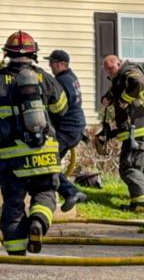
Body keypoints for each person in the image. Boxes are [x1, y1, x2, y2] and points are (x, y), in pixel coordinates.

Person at [0, 31, 68, 256]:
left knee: (13, 204)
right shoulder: (45, 78)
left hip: (12, 159)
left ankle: (17, 252)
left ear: (7, 54)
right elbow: (62, 109)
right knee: (46, 194)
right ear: (34, 54)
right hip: (45, 154)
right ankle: (38, 221)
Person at [100, 55, 144, 213]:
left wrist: (124, 99)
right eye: (106, 70)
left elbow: (136, 84)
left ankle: (141, 205)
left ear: (119, 63)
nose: (109, 72)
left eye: (111, 68)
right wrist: (108, 98)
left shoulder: (130, 73)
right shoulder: (123, 76)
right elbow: (114, 91)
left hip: (140, 132)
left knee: (130, 168)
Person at [45, 49, 88, 212]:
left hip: (66, 128)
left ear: (61, 64)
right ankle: (71, 192)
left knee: (48, 164)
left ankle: (71, 192)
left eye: (52, 63)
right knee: (51, 163)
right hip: (75, 126)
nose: (50, 66)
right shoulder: (72, 78)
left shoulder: (61, 80)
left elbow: (59, 108)